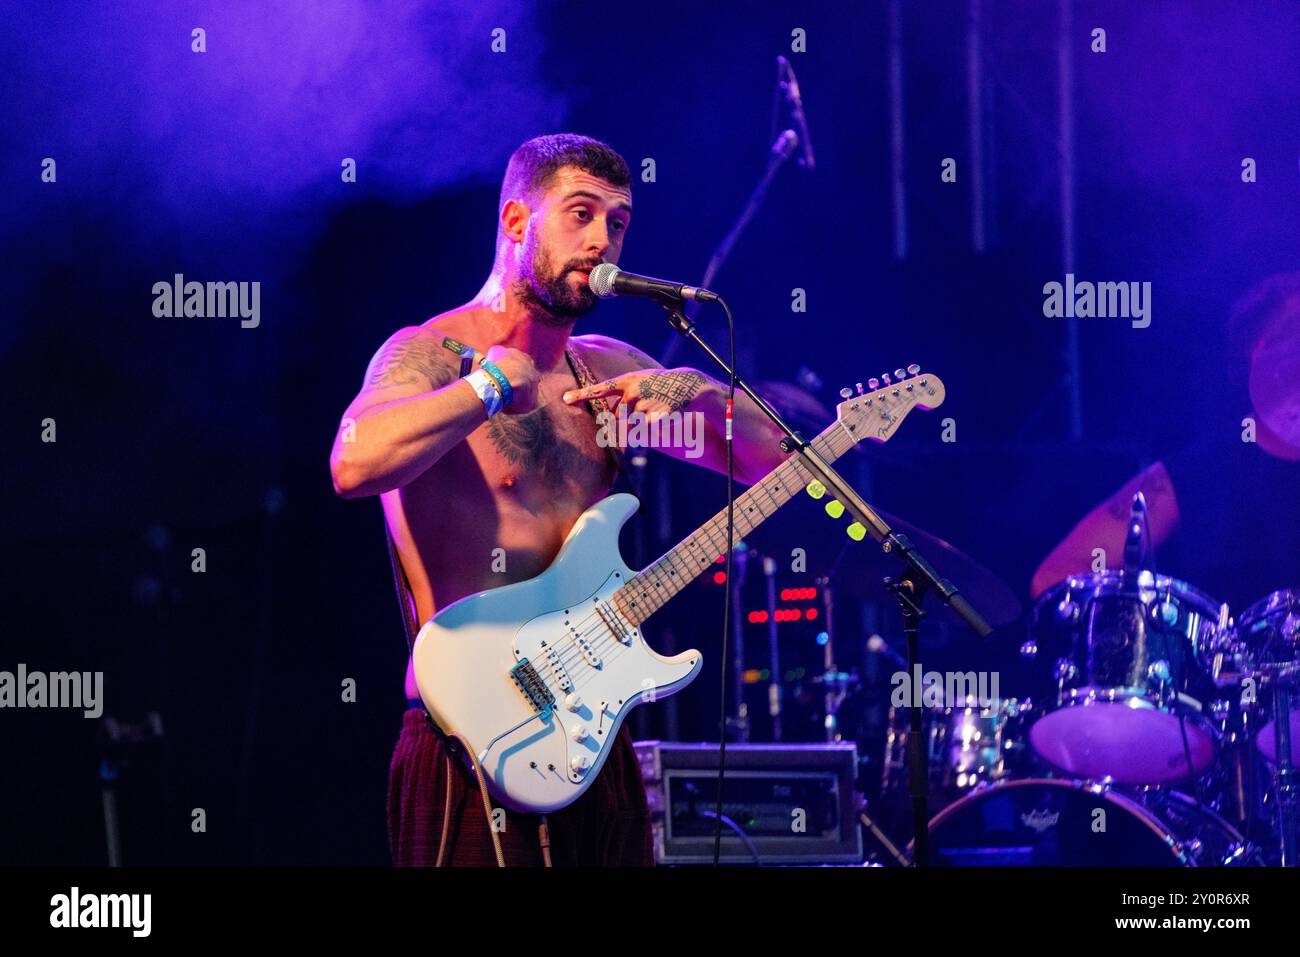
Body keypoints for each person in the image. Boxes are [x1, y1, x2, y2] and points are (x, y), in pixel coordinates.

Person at [329, 133, 789, 865]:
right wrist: (485, 390)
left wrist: (686, 390)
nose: (602, 239)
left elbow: (774, 456)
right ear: (517, 222)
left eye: (618, 222)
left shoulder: (605, 368)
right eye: (580, 214)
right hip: (471, 736)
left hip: (591, 736)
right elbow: (354, 462)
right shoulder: (429, 351)